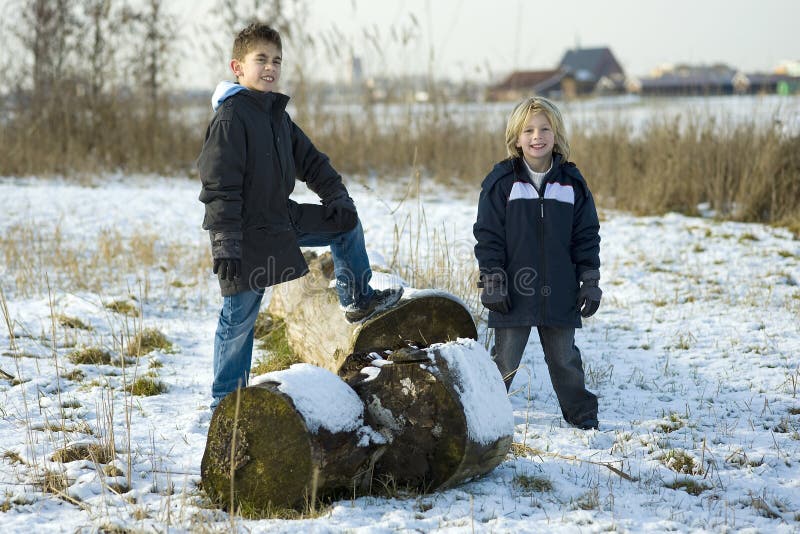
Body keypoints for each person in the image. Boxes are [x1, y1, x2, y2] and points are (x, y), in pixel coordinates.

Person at [197, 22, 402, 410]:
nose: (270, 67)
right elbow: (219, 185)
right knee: (238, 319)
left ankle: (357, 297)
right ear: (237, 67)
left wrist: (337, 197)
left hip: (283, 219)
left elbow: (312, 162)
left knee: (345, 223)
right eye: (261, 59)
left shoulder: (276, 115)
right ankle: (226, 402)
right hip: (247, 235)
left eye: (276, 60)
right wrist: (225, 244)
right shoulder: (231, 117)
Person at [473, 96, 602, 430]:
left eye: (545, 128)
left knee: (565, 359)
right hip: (514, 291)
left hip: (560, 290)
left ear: (556, 134)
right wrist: (492, 280)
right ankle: (485, 416)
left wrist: (589, 280)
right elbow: (488, 236)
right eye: (528, 130)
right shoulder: (502, 182)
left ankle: (581, 414)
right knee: (503, 361)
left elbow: (586, 235)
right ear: (516, 138)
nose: (537, 136)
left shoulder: (571, 184)